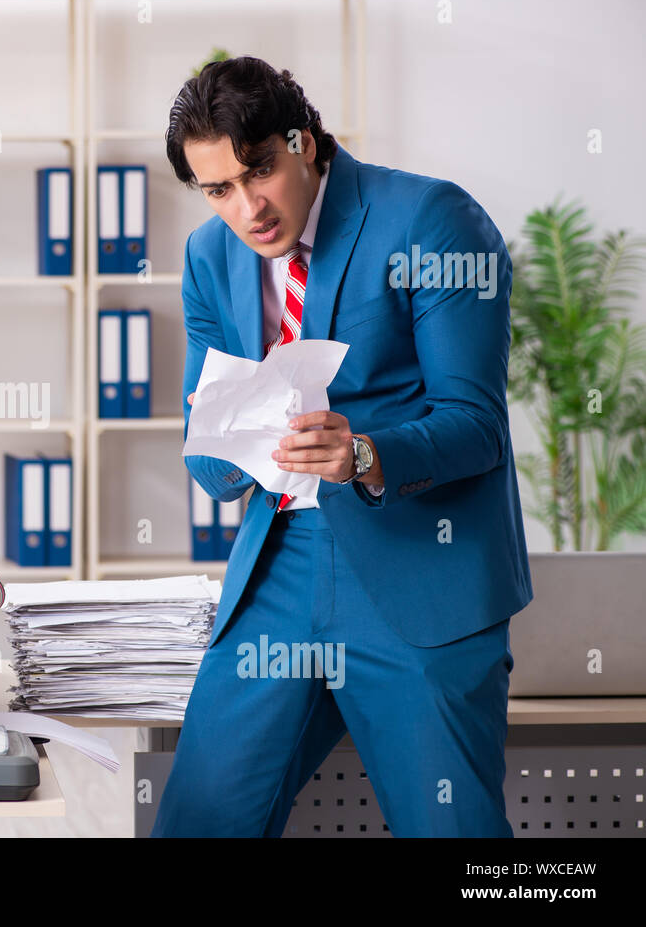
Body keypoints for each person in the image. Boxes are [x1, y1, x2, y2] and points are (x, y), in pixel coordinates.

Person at [151, 57, 532, 837]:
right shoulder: (208, 258)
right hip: (280, 568)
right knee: (201, 819)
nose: (248, 207)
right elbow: (211, 468)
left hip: (418, 568)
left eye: (260, 171)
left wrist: (363, 453)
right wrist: (221, 431)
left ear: (305, 141)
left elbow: (479, 423)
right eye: (219, 188)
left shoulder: (431, 219)